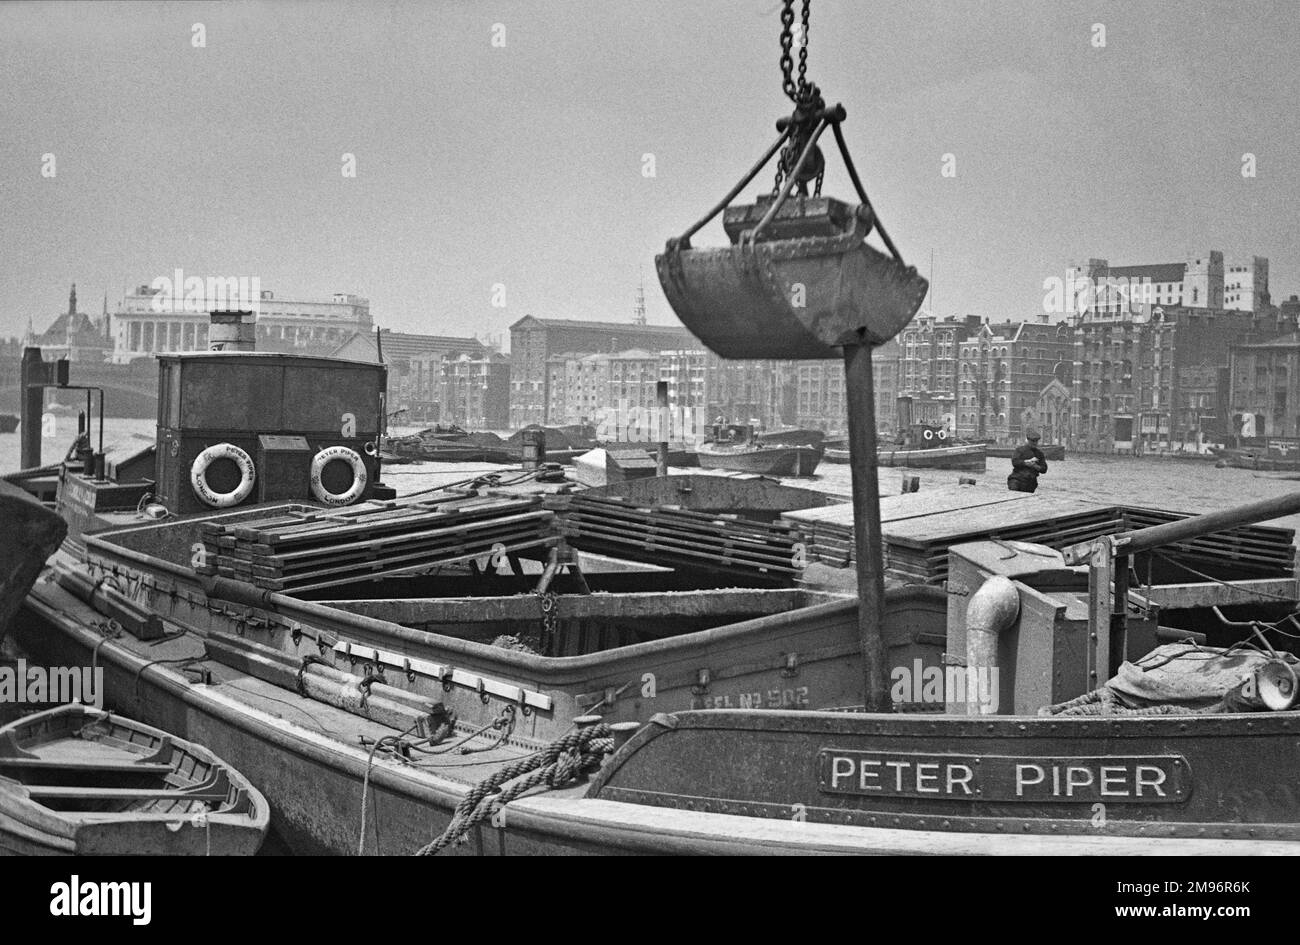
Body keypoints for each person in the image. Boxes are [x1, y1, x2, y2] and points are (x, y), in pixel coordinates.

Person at [1007, 428, 1048, 493]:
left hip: (1030, 483)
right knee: (1013, 495)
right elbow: (1015, 462)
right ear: (1028, 441)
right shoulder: (1020, 450)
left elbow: (1044, 469)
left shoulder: (1039, 454)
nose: (1034, 443)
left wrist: (1036, 466)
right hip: (1017, 480)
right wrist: (1026, 462)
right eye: (1032, 441)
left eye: (1036, 441)